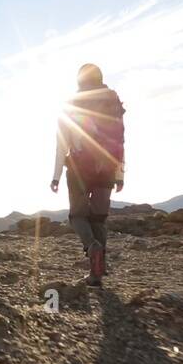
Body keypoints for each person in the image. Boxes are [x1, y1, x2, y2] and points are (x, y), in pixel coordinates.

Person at [50, 64, 126, 287]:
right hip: (107, 168)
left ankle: (91, 247)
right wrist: (120, 174)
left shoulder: (71, 105)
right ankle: (97, 275)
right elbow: (120, 141)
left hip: (79, 169)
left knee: (77, 216)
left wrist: (55, 176)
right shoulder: (113, 103)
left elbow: (61, 144)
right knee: (99, 219)